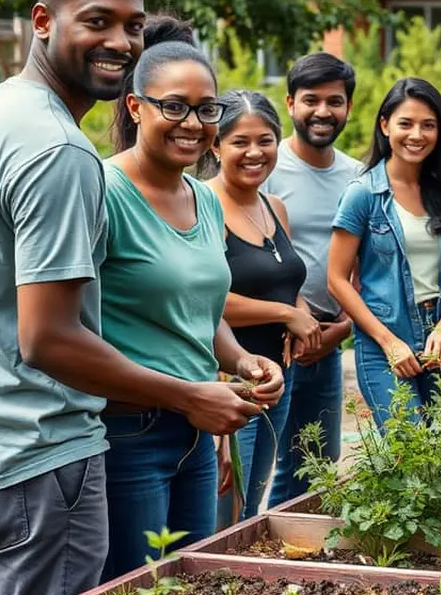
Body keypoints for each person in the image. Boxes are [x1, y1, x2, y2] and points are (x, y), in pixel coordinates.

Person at [0, 0, 252, 595]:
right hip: (42, 447)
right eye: (97, 21)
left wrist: (230, 365)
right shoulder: (61, 152)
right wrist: (191, 394)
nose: (119, 41)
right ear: (44, 20)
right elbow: (47, 338)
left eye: (133, 26)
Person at [100, 40, 284, 579]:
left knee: (197, 577)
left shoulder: (203, 198)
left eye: (207, 110)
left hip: (199, 429)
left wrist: (243, 361)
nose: (193, 123)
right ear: (136, 107)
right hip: (129, 431)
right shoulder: (103, 191)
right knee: (135, 582)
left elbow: (200, 311)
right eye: (173, 105)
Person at [203, 90, 315, 527]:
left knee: (251, 504)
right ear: (215, 145)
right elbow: (208, 298)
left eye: (265, 140)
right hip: (229, 380)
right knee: (223, 510)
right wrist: (286, 315)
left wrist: (299, 314)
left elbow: (286, 280)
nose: (255, 152)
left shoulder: (275, 207)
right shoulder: (202, 205)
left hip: (275, 380)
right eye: (240, 142)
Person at [328, 77, 441, 427]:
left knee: (432, 456)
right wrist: (388, 342)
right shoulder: (363, 194)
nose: (416, 135)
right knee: (406, 446)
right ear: (385, 125)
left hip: (438, 341)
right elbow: (336, 279)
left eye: (428, 125)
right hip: (382, 340)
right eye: (406, 123)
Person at [262, 53, 361, 505]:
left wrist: (341, 327)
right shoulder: (264, 165)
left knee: (314, 464)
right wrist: (299, 319)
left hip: (328, 339)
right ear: (290, 103)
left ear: (349, 107)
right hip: (268, 340)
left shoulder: (357, 175)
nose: (323, 111)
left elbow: (364, 260)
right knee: (256, 464)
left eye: (334, 101)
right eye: (311, 100)